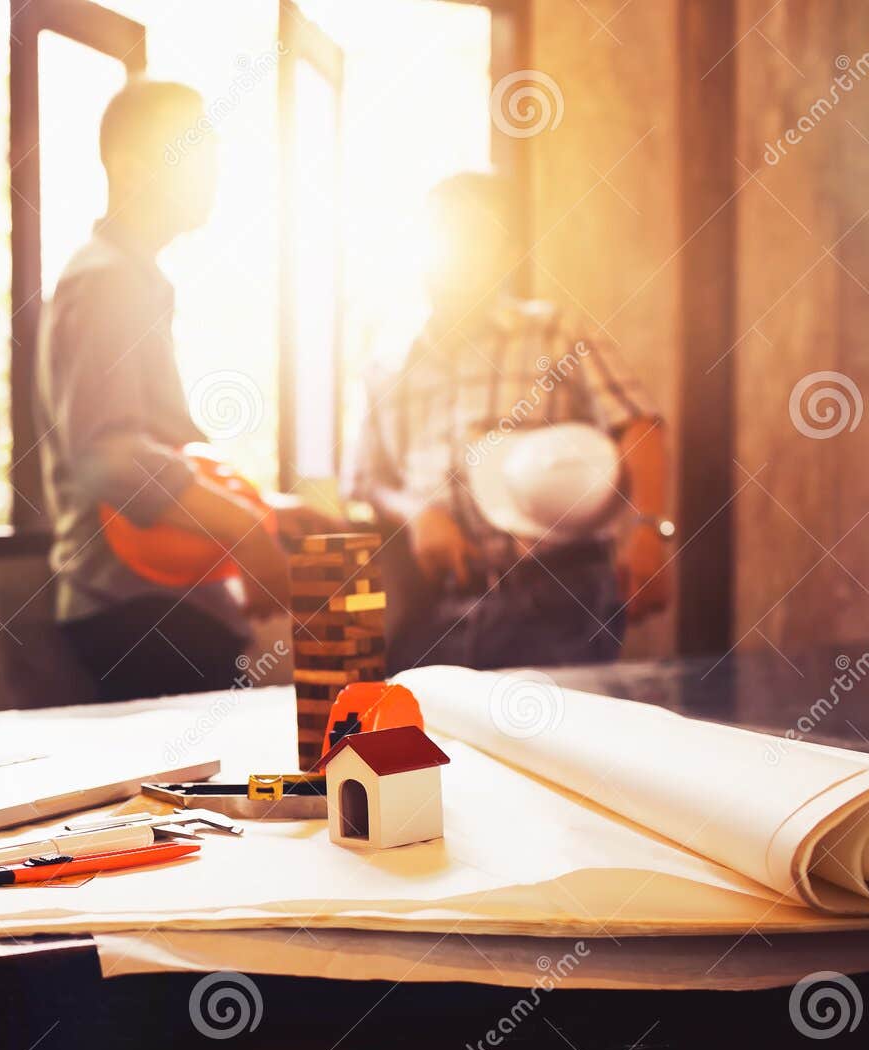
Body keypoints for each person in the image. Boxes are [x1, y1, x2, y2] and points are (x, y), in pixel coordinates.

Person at [36, 79, 334, 702]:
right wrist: (247, 530)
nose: (212, 174)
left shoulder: (132, 278)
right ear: (128, 166)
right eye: (192, 153)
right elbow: (108, 459)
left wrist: (264, 510)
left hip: (157, 602)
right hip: (133, 607)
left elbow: (165, 449)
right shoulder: (106, 281)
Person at [349, 171, 673, 671]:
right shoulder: (388, 363)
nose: (456, 252)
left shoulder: (554, 331)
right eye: (443, 234)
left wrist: (650, 528)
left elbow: (636, 424)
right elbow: (368, 483)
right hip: (433, 611)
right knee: (429, 747)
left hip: (559, 602)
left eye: (474, 236)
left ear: (504, 251)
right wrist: (419, 514)